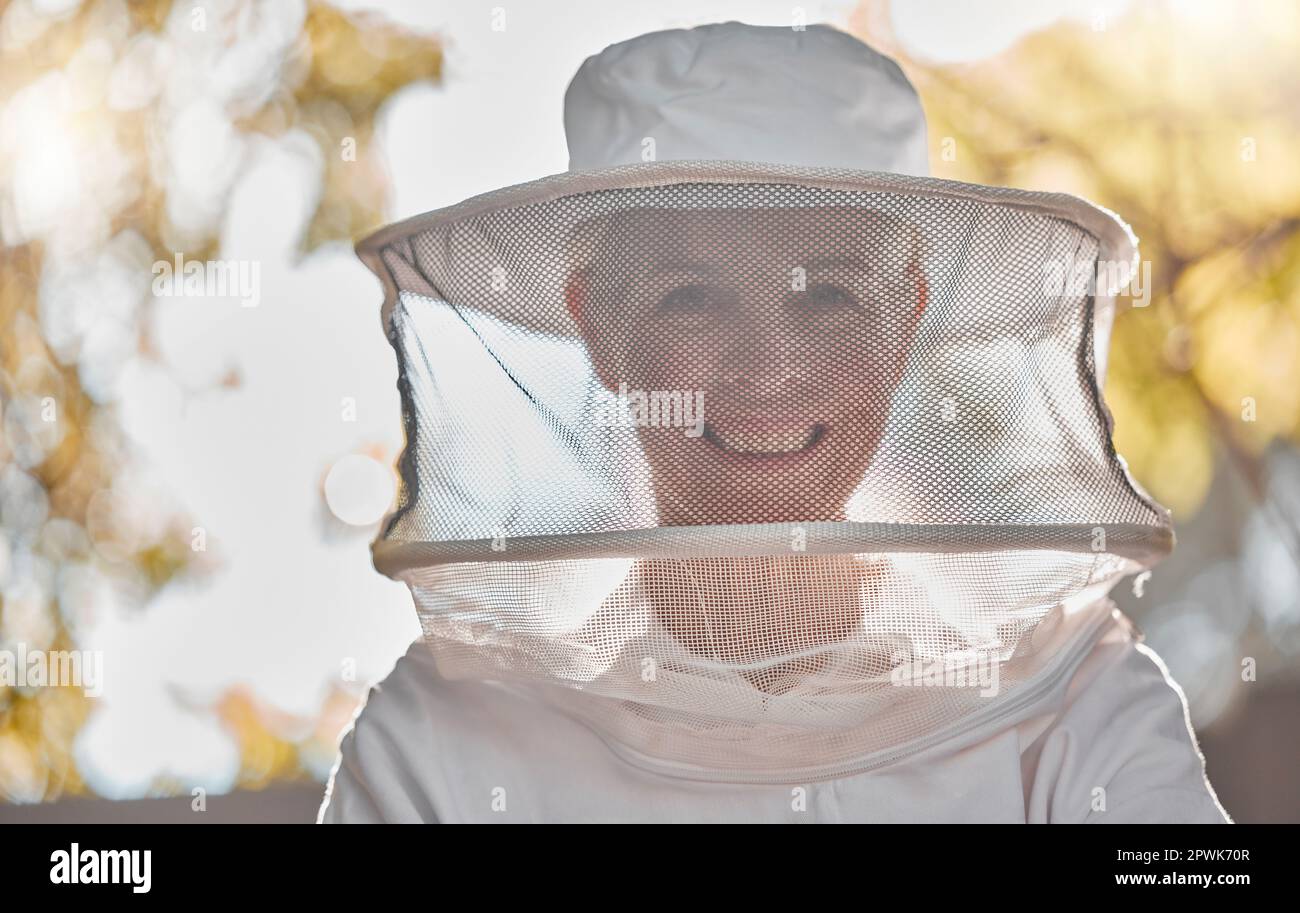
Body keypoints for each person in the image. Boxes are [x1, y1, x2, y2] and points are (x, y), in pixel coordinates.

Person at [319, 21, 1230, 823]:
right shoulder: (439, 738)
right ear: (598, 324)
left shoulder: (1076, 698)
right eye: (691, 298)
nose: (767, 368)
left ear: (906, 313)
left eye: (828, 292)